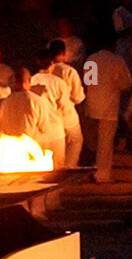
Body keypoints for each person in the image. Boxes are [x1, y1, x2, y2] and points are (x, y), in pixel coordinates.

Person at [83, 36, 132, 182]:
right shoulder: (117, 60)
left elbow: (88, 81)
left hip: (92, 105)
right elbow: (126, 83)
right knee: (105, 142)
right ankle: (102, 174)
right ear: (112, 45)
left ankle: (91, 169)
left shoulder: (91, 59)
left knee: (93, 142)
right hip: (109, 108)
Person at [0, 66, 64, 163]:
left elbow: (3, 126)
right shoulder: (36, 101)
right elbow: (44, 127)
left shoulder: (5, 102)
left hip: (11, 150)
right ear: (29, 81)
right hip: (32, 149)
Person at [29, 49, 70, 168]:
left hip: (38, 131)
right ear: (52, 63)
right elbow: (64, 106)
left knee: (38, 168)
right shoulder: (59, 82)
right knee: (57, 167)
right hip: (55, 131)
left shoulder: (31, 81)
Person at [48, 38, 86, 167]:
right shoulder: (69, 71)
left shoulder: (44, 72)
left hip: (50, 118)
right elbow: (78, 97)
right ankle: (68, 172)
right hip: (67, 116)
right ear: (64, 54)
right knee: (75, 142)